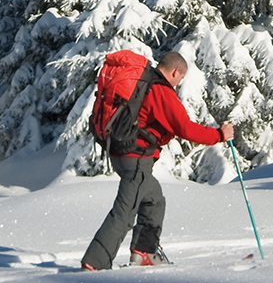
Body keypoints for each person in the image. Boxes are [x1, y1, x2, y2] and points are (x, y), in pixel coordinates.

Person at [81, 51, 233, 271]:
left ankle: (144, 253)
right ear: (175, 72)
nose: (179, 84)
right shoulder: (160, 90)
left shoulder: (145, 83)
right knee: (125, 211)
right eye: (180, 79)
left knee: (153, 200)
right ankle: (95, 262)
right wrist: (219, 135)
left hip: (121, 154)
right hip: (137, 159)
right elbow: (185, 128)